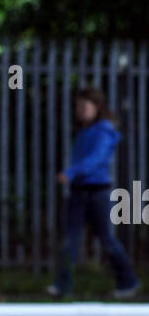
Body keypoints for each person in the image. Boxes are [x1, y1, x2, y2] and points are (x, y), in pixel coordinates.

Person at [48, 86, 139, 299]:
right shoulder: (84, 132)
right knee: (70, 239)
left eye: (84, 106)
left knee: (107, 239)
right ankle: (63, 286)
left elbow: (95, 160)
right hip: (79, 192)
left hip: (97, 192)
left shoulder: (103, 131)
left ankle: (129, 281)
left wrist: (71, 172)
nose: (79, 110)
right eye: (77, 106)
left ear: (97, 107)